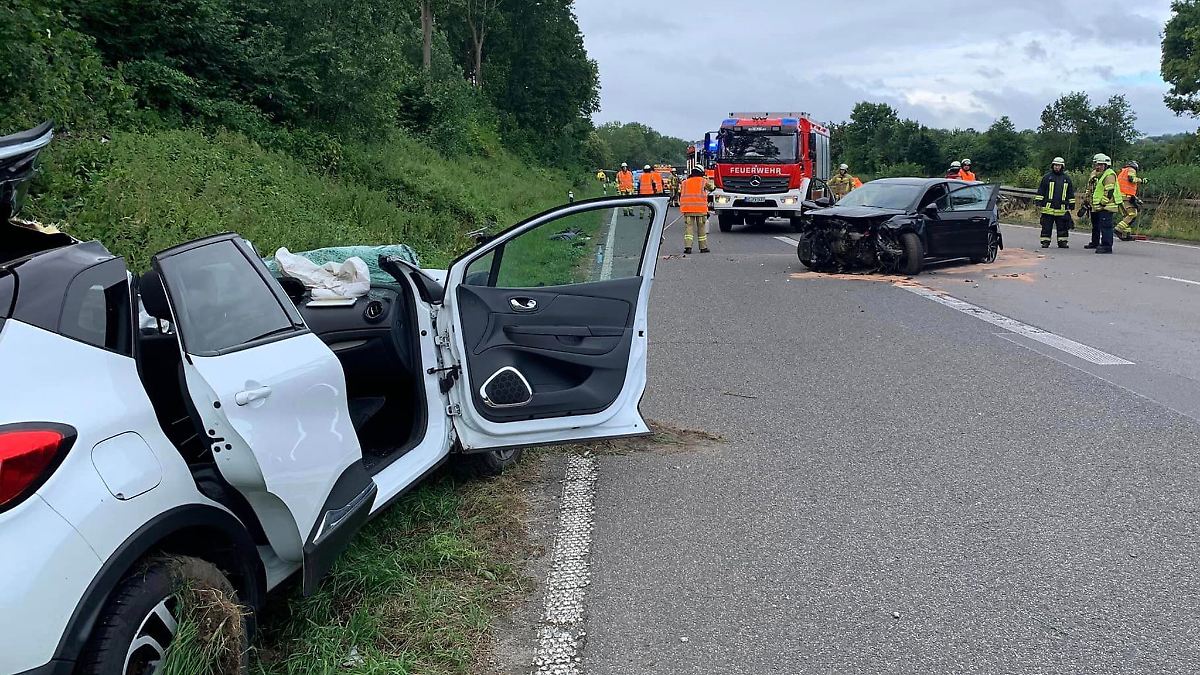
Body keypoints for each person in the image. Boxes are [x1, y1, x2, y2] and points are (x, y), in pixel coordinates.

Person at [1079, 153, 1122, 254]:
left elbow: (1109, 191)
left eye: (1101, 164)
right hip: (1096, 205)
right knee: (1096, 225)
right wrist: (1086, 200)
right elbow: (1091, 188)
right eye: (1097, 164)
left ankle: (1107, 246)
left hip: (1106, 206)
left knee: (1106, 226)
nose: (1098, 167)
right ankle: (1095, 242)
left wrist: (1103, 203)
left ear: (1106, 165)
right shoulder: (1095, 174)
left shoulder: (1109, 174)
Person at [1033, 157, 1075, 249]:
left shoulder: (1066, 179)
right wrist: (1038, 202)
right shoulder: (1047, 177)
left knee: (1063, 227)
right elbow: (1041, 190)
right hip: (1048, 208)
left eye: (1059, 165)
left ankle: (1062, 242)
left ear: (1062, 166)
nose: (1057, 167)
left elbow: (1070, 192)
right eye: (1055, 165)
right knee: (1046, 226)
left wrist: (1072, 203)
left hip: (1061, 208)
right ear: (1052, 166)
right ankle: (1045, 241)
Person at [679, 166, 715, 254]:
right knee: (701, 229)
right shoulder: (703, 181)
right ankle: (703, 248)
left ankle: (688, 247)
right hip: (700, 209)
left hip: (688, 209)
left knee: (689, 229)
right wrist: (707, 178)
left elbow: (680, 192)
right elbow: (712, 188)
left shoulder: (684, 182)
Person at [1116, 160, 1145, 241]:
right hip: (1126, 196)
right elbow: (1131, 179)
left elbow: (1126, 186)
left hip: (1120, 197)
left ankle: (1126, 234)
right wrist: (1141, 180)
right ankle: (1118, 229)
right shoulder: (1131, 170)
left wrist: (1136, 199)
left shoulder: (1122, 172)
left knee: (1126, 216)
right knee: (1132, 214)